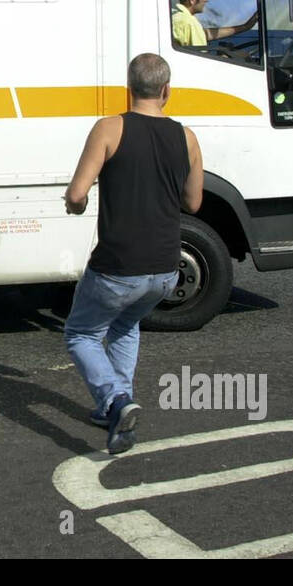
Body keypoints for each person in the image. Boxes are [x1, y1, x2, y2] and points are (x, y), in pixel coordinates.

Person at [61, 53, 204, 455]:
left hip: (118, 266)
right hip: (164, 269)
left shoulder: (109, 128)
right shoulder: (187, 137)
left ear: (130, 88)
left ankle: (115, 400)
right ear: (166, 91)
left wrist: (74, 206)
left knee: (81, 334)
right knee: (125, 326)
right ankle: (116, 413)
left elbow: (76, 194)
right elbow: (193, 202)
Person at [171, 0, 258, 48]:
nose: (206, 0)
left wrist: (245, 27)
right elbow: (199, 57)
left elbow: (204, 34)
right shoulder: (188, 22)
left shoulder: (176, 16)